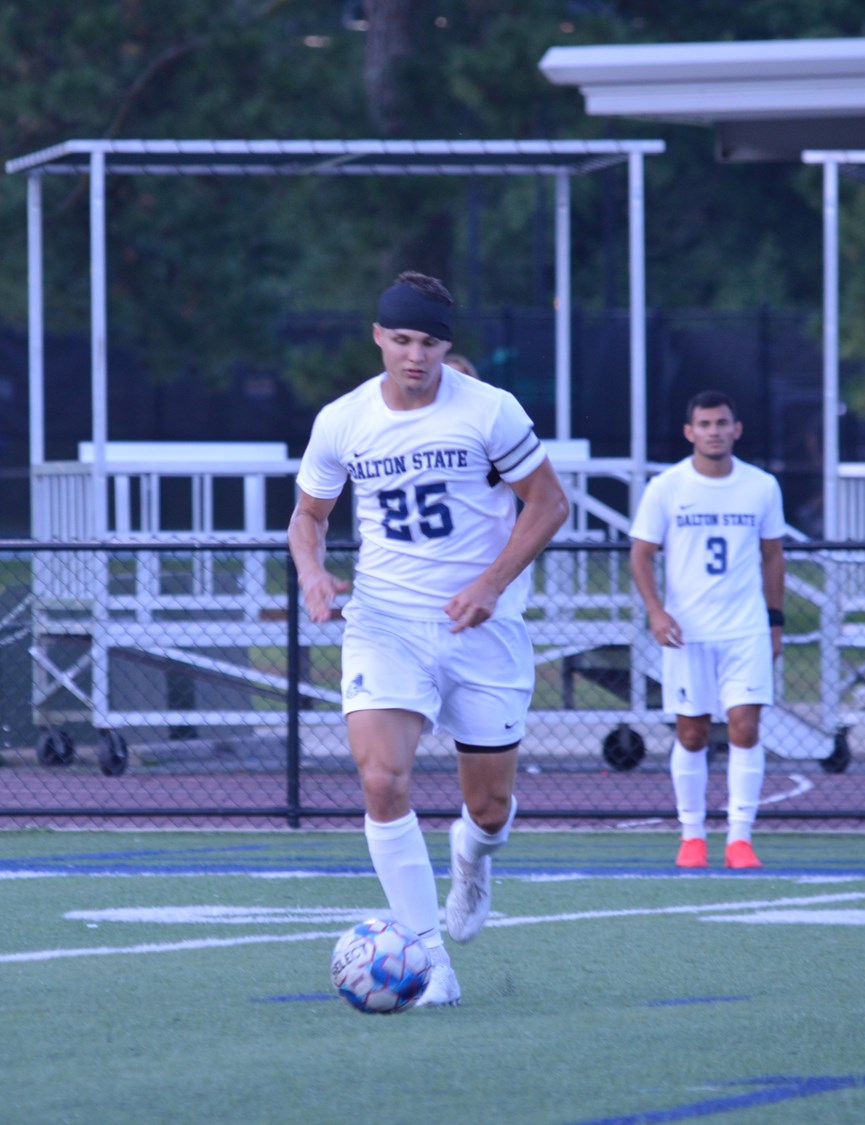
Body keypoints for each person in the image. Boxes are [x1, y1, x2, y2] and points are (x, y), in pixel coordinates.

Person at [289, 272, 568, 1006]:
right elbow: (308, 516)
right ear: (379, 336)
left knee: (490, 809)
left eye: (430, 342)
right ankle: (430, 961)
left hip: (481, 628)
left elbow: (549, 503)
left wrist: (491, 584)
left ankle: (472, 857)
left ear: (448, 345)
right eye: (403, 339)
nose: (416, 355)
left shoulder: (490, 410)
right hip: (384, 623)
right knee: (382, 780)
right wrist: (312, 573)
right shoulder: (342, 420)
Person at [629, 390, 786, 870]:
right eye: (705, 424)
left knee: (746, 727)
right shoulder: (667, 487)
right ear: (689, 432)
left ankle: (740, 838)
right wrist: (656, 611)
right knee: (693, 732)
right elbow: (641, 555)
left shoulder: (762, 486)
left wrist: (775, 621)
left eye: (722, 423)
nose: (714, 432)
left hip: (745, 629)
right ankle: (692, 834)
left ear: (736, 429)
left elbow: (773, 556)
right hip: (688, 632)